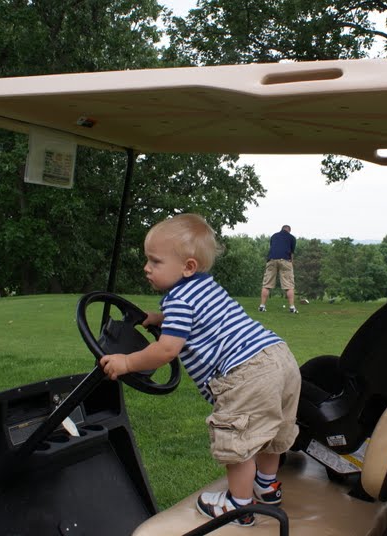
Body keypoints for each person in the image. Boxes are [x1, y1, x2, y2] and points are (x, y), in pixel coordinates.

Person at [99, 213, 301, 527]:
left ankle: (239, 506)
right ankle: (267, 484)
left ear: (188, 267)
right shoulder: (205, 287)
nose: (146, 268)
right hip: (280, 358)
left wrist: (127, 362)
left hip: (245, 372)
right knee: (272, 430)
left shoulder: (178, 299)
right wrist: (158, 319)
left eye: (154, 262)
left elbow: (166, 350)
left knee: (239, 438)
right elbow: (199, 321)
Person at [259, 225, 297, 313]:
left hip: (272, 260)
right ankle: (292, 308)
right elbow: (291, 253)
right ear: (289, 230)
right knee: (289, 285)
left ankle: (262, 306)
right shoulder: (292, 238)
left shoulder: (274, 236)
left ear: (281, 229)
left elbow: (272, 247)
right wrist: (291, 263)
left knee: (266, 284)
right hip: (285, 260)